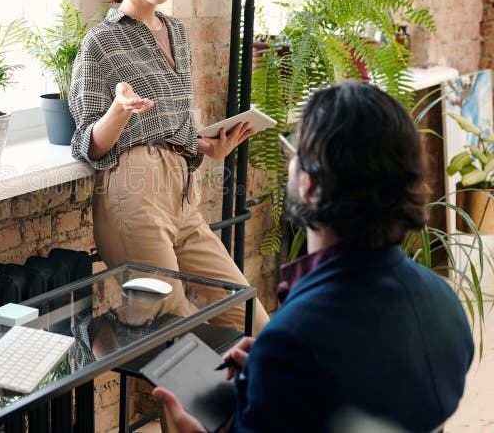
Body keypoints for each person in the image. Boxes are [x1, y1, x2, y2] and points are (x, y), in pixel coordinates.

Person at [154, 81, 475, 432]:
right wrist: (270, 377)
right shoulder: (446, 305)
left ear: (309, 184)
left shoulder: (294, 341)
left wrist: (278, 367)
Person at [68, 0, 269, 334]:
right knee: (174, 332)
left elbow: (171, 129)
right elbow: (87, 143)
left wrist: (205, 146)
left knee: (250, 319)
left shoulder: (177, 31)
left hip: (183, 199)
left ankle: (246, 401)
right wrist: (119, 111)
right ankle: (181, 403)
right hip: (133, 198)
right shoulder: (100, 44)